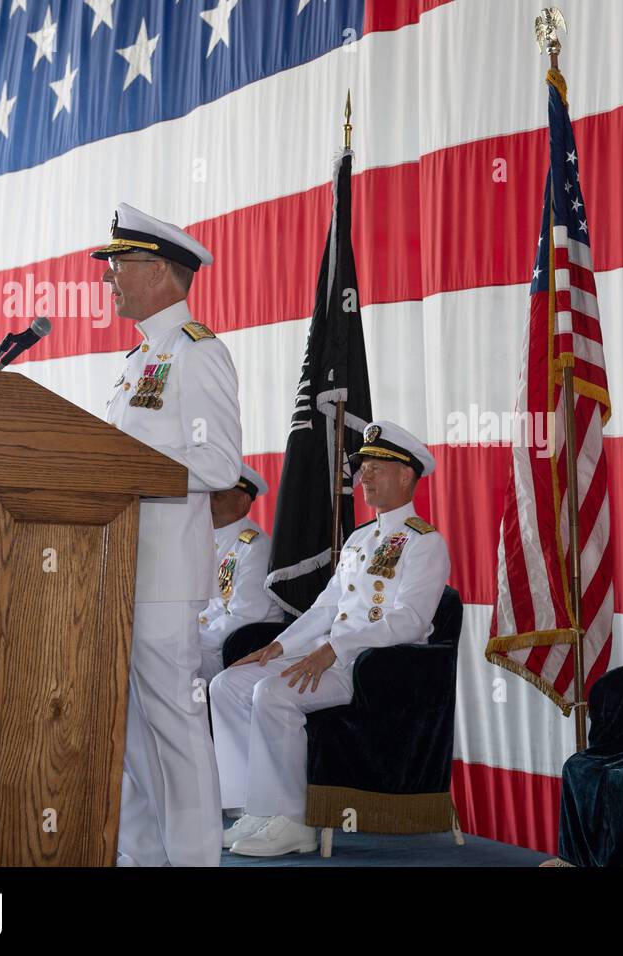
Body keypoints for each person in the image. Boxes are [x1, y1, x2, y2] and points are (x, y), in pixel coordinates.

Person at [210, 420, 450, 857]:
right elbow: (325, 607)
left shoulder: (424, 543)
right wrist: (277, 646)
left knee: (273, 694)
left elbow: (411, 621)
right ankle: (254, 810)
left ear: (406, 476)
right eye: (365, 468)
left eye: (378, 467)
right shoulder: (359, 539)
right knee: (226, 684)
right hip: (329, 658)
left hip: (371, 669)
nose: (365, 477)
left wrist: (335, 649)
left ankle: (295, 821)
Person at [95, 202, 242, 867]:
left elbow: (217, 465)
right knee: (129, 731)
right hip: (118, 565)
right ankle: (141, 856)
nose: (110, 278)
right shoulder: (136, 360)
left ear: (161, 271)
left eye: (120, 264)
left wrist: (125, 471)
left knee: (175, 727)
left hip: (163, 573)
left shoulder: (196, 352)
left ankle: (195, 861)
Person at [198, 462, 285, 685]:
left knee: (169, 662)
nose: (208, 502)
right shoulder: (200, 539)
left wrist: (191, 640)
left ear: (243, 502)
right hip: (201, 639)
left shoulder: (255, 546)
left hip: (228, 651)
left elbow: (244, 615)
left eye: (217, 495)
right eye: (207, 494)